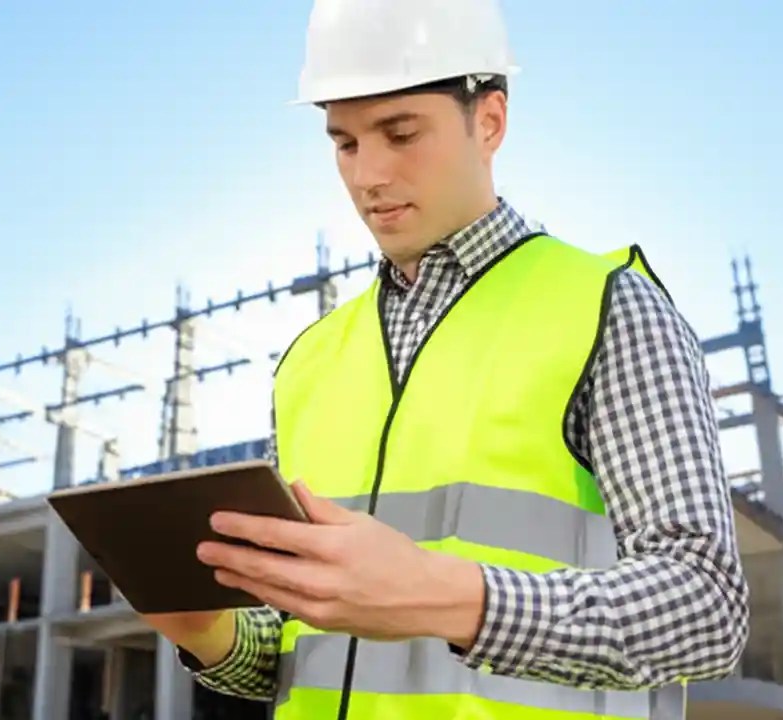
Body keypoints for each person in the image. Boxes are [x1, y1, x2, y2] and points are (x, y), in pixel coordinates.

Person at [144, 0, 750, 717]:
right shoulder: (309, 361)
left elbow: (708, 609)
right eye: (345, 143)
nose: (369, 174)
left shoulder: (606, 307)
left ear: (489, 121)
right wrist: (207, 633)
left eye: (401, 134)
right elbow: (298, 651)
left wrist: (450, 598)